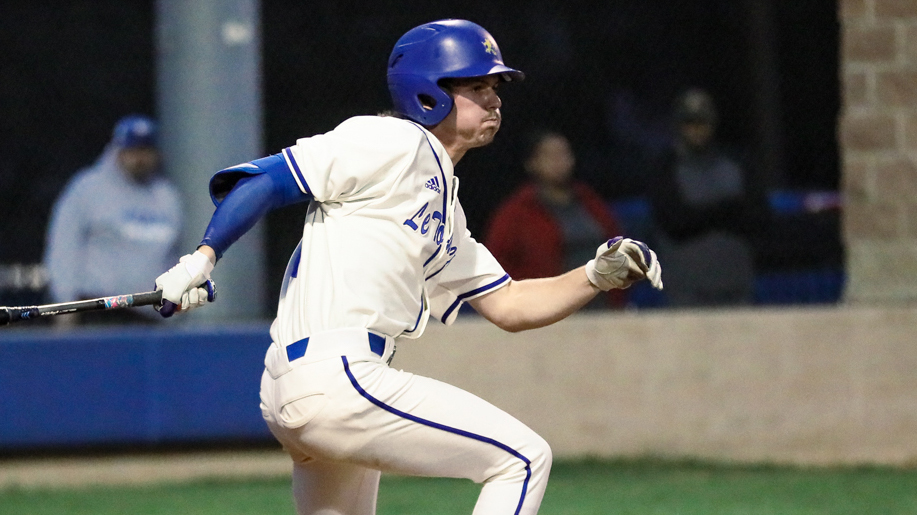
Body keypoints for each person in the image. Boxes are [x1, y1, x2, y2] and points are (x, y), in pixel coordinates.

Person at [153, 20, 662, 515]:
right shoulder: (392, 141)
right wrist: (201, 258)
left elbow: (509, 305)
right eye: (475, 85)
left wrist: (595, 276)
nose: (494, 98)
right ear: (427, 93)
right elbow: (262, 180)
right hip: (339, 377)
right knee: (523, 460)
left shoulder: (442, 205)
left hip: (307, 387)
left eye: (495, 86)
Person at [44, 115, 181, 325]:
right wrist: (64, 302)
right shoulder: (88, 189)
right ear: (117, 151)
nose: (139, 158)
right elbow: (64, 248)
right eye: (132, 151)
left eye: (145, 151)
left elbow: (174, 257)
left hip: (147, 316)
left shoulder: (166, 197)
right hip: (97, 310)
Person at [647, 88, 768, 307]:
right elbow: (675, 221)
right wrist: (728, 209)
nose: (697, 130)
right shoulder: (665, 168)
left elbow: (759, 216)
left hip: (736, 287)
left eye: (702, 123)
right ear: (679, 126)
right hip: (686, 292)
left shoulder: (736, 163)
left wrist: (703, 214)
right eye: (690, 123)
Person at [485, 130, 626, 310]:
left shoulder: (590, 202)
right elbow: (497, 264)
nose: (559, 161)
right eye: (549, 156)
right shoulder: (517, 212)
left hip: (602, 306)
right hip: (547, 311)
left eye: (564, 154)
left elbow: (618, 245)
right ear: (532, 163)